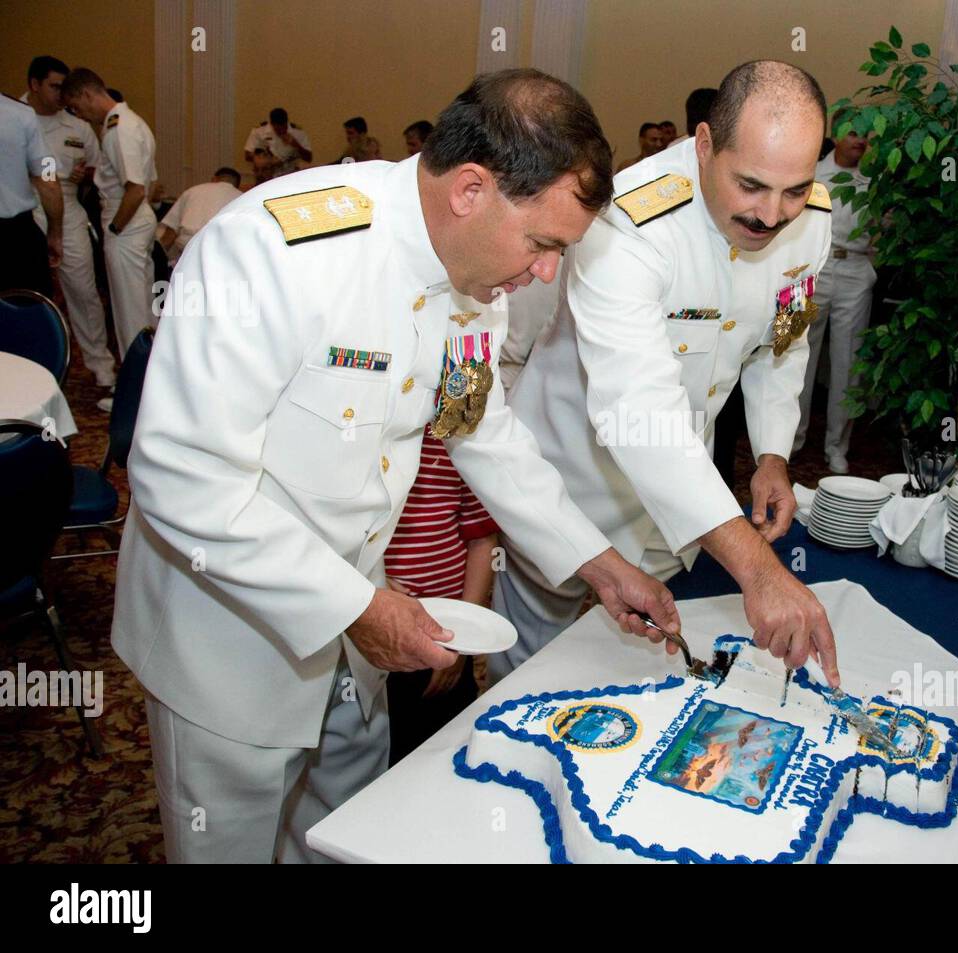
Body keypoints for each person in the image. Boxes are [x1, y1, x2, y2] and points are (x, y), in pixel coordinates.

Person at [112, 67, 680, 864]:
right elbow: (181, 473)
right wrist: (355, 606)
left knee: (344, 834)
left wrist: (600, 561)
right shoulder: (276, 250)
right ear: (471, 190)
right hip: (229, 640)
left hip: (363, 629)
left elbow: (479, 428)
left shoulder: (478, 287)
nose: (547, 272)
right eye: (545, 243)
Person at [498, 61, 842, 685]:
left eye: (794, 190)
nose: (772, 215)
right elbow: (640, 411)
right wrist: (759, 572)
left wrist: (771, 453)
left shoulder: (810, 221)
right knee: (532, 672)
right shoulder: (628, 223)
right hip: (567, 481)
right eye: (752, 186)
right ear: (704, 144)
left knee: (636, 668)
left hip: (681, 498)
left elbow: (783, 344)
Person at [384, 427, 498, 764]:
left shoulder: (458, 446)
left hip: (446, 631)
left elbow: (483, 541)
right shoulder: (367, 448)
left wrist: (462, 637)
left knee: (447, 744)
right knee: (388, 745)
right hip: (382, 629)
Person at [23, 56, 116, 387]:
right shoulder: (15, 118)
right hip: (25, 204)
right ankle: (28, 366)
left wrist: (83, 175)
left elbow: (98, 167)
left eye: (65, 87)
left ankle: (101, 366)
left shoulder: (76, 125)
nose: (62, 94)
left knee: (84, 291)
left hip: (68, 204)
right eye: (54, 86)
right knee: (26, 293)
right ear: (34, 85)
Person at [794, 113, 876, 473]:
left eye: (866, 135)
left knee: (848, 362)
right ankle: (789, 441)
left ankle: (836, 447)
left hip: (856, 270)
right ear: (837, 135)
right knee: (796, 356)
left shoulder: (873, 181)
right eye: (855, 133)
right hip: (814, 269)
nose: (861, 140)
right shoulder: (811, 174)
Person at [62, 68, 157, 365]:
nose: (79, 115)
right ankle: (145, 379)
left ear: (85, 94)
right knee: (143, 308)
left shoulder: (119, 129)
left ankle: (134, 385)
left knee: (130, 314)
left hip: (125, 222)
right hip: (137, 220)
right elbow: (150, 183)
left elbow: (136, 190)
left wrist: (114, 230)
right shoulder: (132, 122)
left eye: (76, 107)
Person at [0, 92, 61, 296]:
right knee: (30, 316)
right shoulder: (21, 114)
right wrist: (55, 232)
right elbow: (48, 177)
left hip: (16, 235)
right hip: (16, 239)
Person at [155, 167, 242, 266]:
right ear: (237, 186)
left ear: (214, 179)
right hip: (222, 256)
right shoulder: (241, 197)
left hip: (188, 250)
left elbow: (169, 235)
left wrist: (157, 262)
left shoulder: (191, 191)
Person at [243, 107, 312, 181]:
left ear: (286, 122)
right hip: (266, 176)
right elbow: (247, 155)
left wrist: (296, 145)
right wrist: (263, 158)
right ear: (272, 124)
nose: (281, 131)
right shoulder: (259, 132)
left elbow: (308, 158)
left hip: (289, 175)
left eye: (284, 128)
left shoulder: (298, 133)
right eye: (278, 129)